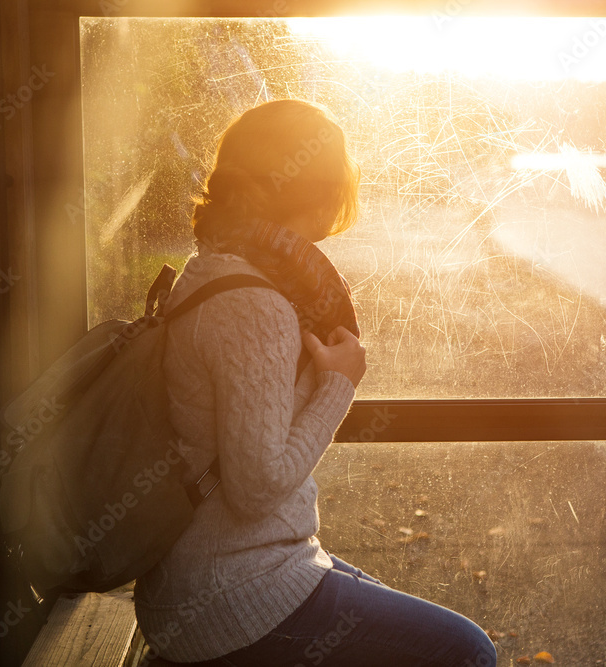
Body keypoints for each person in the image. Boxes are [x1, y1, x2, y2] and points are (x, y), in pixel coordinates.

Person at [134, 99, 497, 667]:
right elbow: (255, 489)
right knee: (466, 652)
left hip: (225, 577)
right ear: (323, 189)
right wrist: (338, 385)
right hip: (229, 597)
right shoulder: (256, 303)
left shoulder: (214, 268)